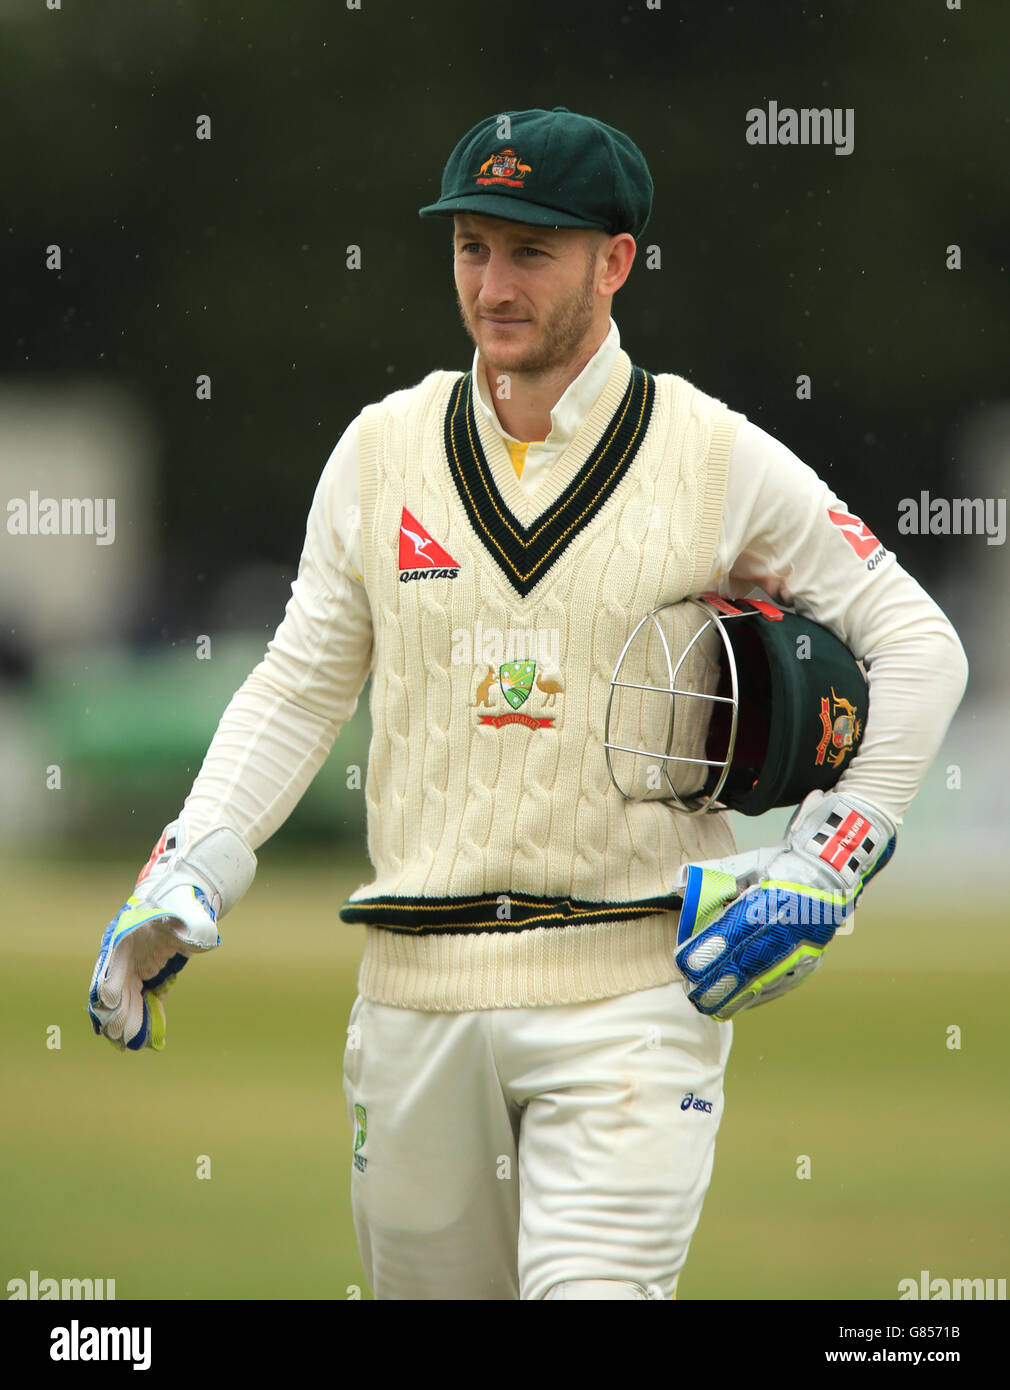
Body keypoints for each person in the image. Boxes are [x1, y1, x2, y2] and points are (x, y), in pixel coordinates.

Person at [88, 107, 968, 1300]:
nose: (492, 286)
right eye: (470, 248)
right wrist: (191, 861)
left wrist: (829, 855)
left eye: (529, 252)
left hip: (631, 993)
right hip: (412, 995)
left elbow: (915, 639)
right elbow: (299, 684)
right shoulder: (378, 450)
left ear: (615, 261)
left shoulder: (713, 456)